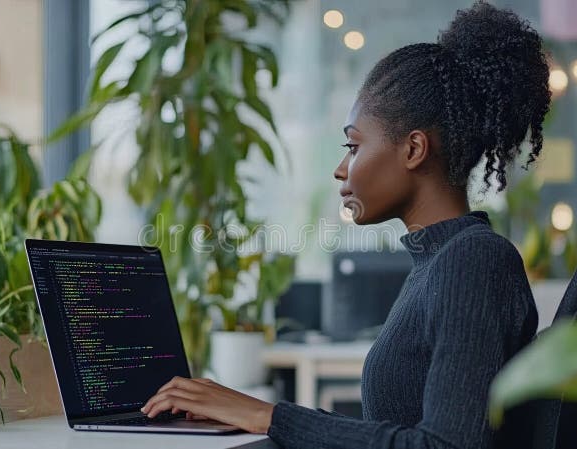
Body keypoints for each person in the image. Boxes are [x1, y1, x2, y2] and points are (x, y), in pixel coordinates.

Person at [140, 2, 550, 448]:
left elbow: (445, 446)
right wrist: (261, 414)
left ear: (414, 150)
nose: (341, 169)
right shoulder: (439, 263)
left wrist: (268, 416)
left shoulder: (471, 260)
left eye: (353, 145)